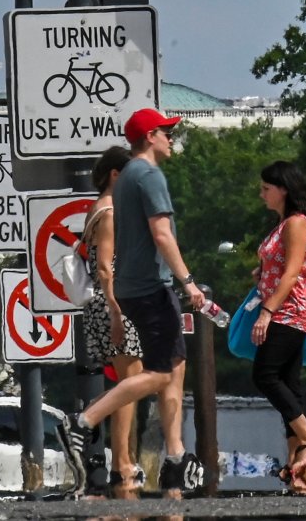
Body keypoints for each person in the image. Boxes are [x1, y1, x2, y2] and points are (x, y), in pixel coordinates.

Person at [58, 108, 207, 496]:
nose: (172, 139)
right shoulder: (149, 175)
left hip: (134, 287)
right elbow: (162, 234)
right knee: (159, 373)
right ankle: (83, 421)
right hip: (150, 287)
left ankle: (175, 459)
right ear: (150, 136)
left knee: (174, 367)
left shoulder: (123, 183)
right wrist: (187, 281)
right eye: (167, 133)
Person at [249, 161, 306, 494]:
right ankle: (298, 473)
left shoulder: (296, 223)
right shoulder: (283, 224)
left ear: (284, 190)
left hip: (290, 312)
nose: (261, 193)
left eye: (266, 188)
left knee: (265, 375)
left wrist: (266, 312)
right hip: (286, 309)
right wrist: (261, 275)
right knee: (289, 387)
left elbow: (293, 273)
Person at [81, 145, 146, 489]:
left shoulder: (98, 210)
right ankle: (121, 461)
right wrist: (118, 311)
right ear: (116, 176)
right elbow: (105, 268)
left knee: (129, 384)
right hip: (115, 303)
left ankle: (122, 459)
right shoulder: (108, 212)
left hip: (108, 304)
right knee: (129, 385)